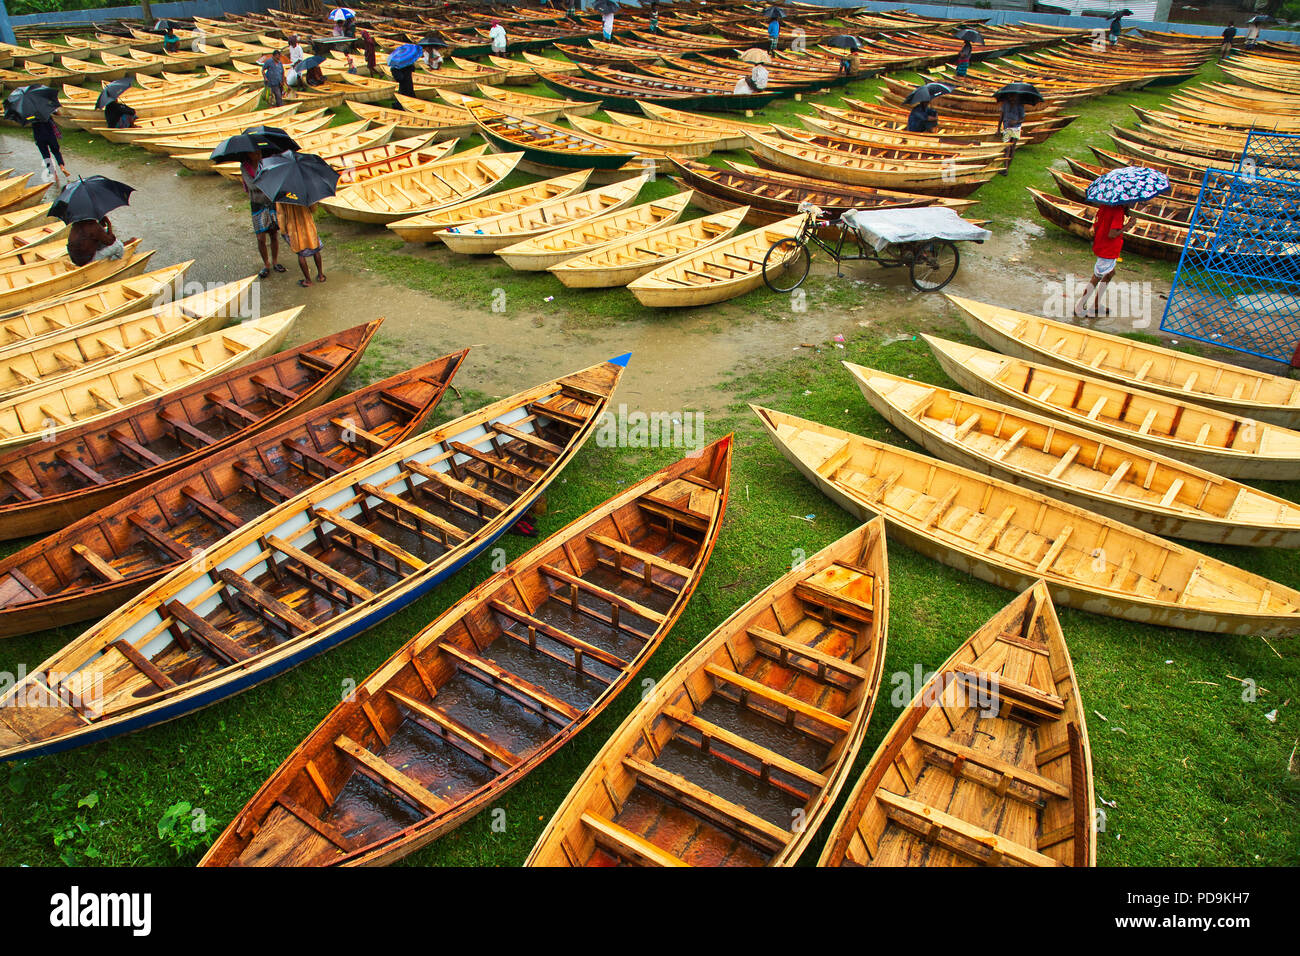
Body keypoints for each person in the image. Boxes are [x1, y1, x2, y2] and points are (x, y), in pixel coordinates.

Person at [1075, 203, 1129, 317]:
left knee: (1109, 274)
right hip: (1108, 249)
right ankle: (1080, 306)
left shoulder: (1106, 205)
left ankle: (1095, 305)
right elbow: (1112, 234)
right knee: (1097, 277)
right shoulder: (1118, 211)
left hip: (1102, 244)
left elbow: (1097, 222)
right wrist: (1128, 226)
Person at [241, 150, 284, 279]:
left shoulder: (266, 162)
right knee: (260, 237)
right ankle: (266, 264)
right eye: (254, 152)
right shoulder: (245, 167)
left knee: (273, 233)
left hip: (270, 201)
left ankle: (275, 261)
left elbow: (274, 179)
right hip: (257, 204)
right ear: (248, 154)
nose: (258, 154)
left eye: (259, 152)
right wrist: (266, 182)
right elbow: (252, 185)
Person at [276, 201, 325, 287]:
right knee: (316, 249)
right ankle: (321, 276)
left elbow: (281, 214)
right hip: (308, 224)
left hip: (294, 228)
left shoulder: (281, 194)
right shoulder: (304, 189)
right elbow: (313, 208)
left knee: (300, 253)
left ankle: (308, 281)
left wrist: (283, 230)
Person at [31, 114, 68, 184]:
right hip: (50, 137)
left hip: (40, 139)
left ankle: (53, 173)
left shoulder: (32, 117)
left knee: (46, 156)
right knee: (56, 152)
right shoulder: (45, 113)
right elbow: (53, 124)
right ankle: (62, 167)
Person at [997, 92, 1024, 174]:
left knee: (1012, 148)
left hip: (1016, 128)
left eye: (1013, 97)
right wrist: (998, 129)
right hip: (1007, 128)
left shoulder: (1020, 106)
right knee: (1007, 148)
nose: (1012, 98)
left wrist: (1016, 121)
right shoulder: (1005, 104)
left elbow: (1022, 119)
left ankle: (1007, 168)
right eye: (1010, 96)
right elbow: (1001, 117)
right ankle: (1005, 168)